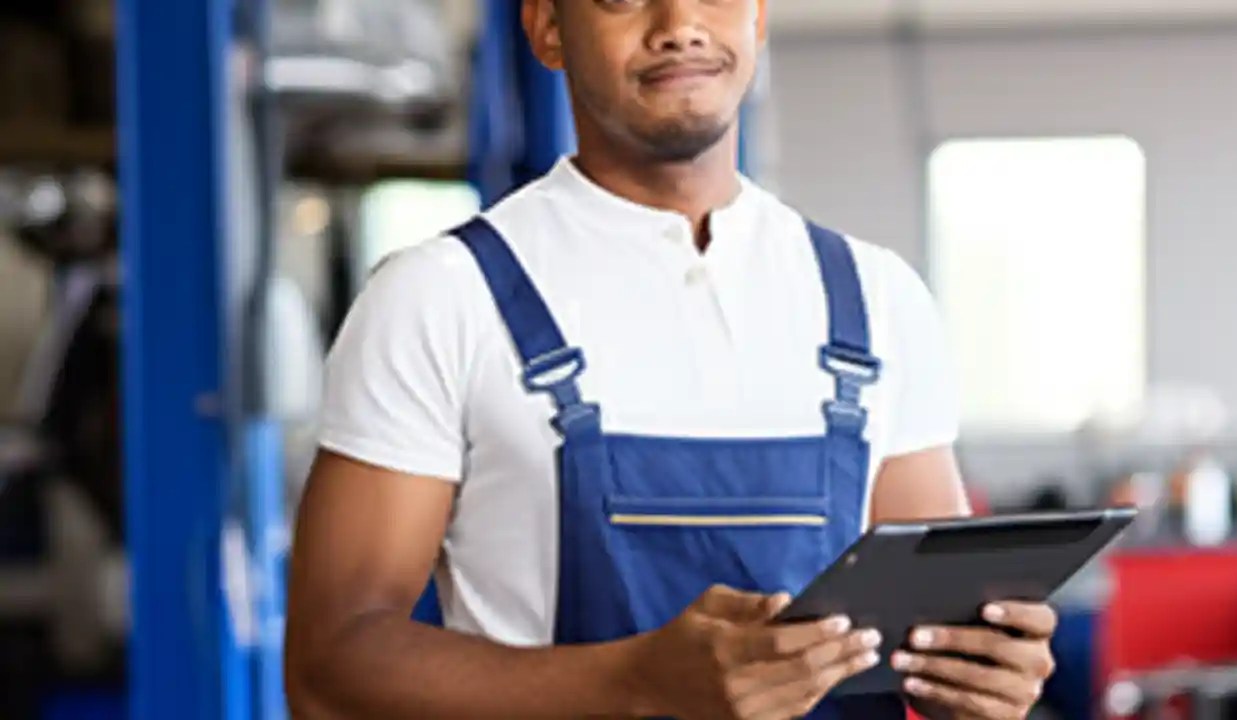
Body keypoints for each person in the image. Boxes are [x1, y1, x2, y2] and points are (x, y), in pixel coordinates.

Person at [284, 1, 1058, 718]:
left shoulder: (877, 298)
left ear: (758, 15)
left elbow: (937, 628)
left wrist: (986, 677)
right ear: (548, 27)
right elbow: (328, 667)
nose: (680, 23)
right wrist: (638, 680)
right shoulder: (440, 297)